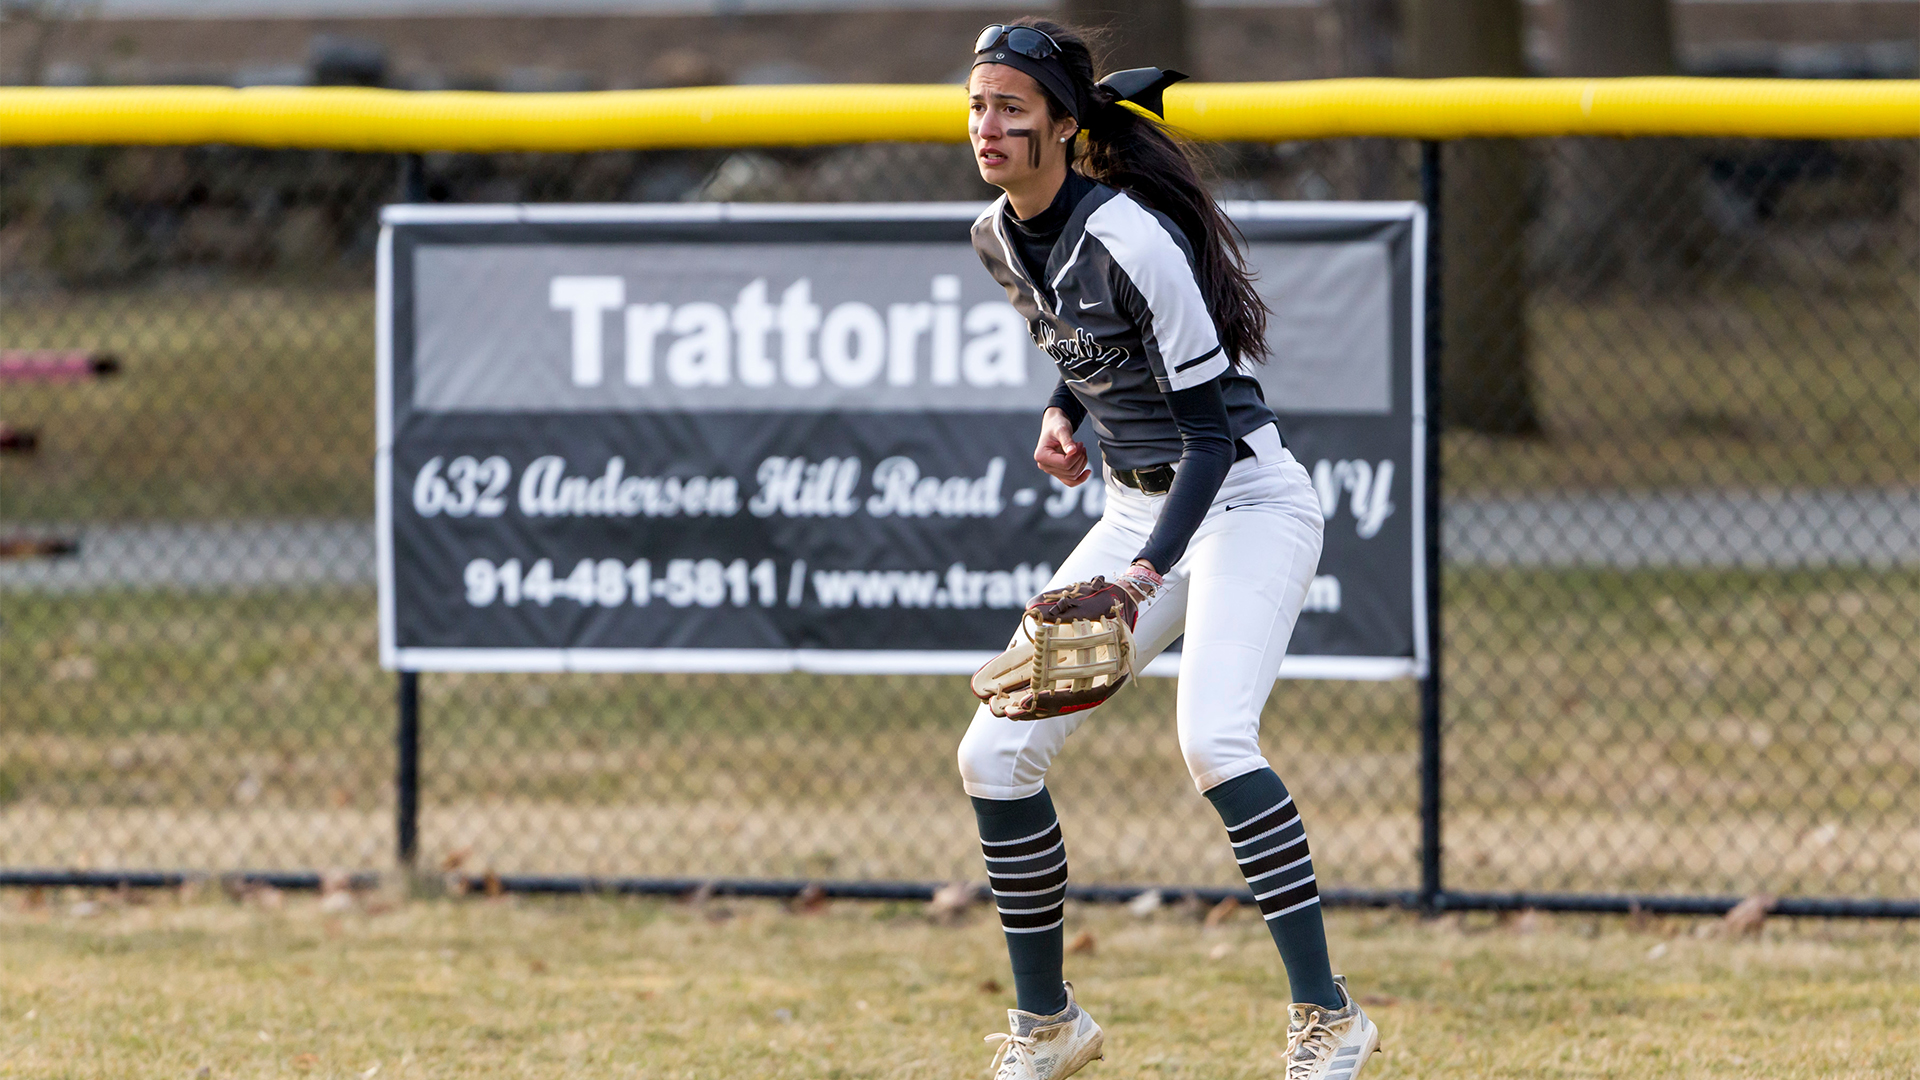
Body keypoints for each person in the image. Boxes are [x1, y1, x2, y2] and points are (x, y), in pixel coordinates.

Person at [957, 19, 1382, 1080]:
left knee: (1216, 740)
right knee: (994, 756)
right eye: (977, 105)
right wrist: (1064, 414)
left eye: (1013, 106)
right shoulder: (995, 235)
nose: (989, 126)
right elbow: (1090, 345)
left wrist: (1143, 573)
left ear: (1063, 123)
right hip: (1137, 509)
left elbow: (1210, 432)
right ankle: (1049, 1025)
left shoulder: (1134, 234)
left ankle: (1332, 1019)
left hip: (1243, 500)